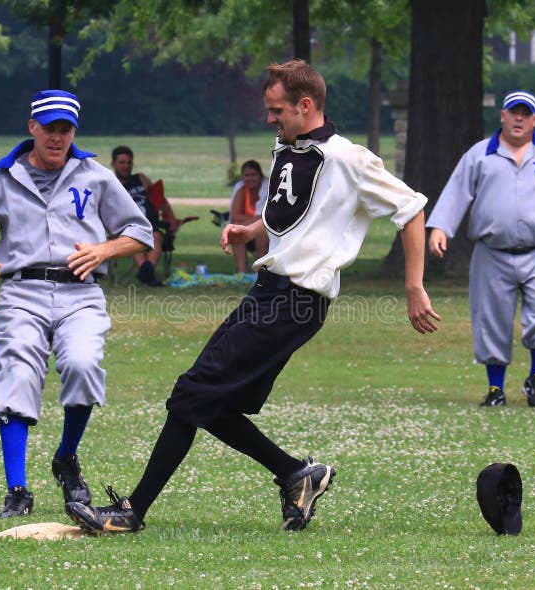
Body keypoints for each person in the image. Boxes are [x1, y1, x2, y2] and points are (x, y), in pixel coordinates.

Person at [65, 59, 440, 535]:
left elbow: (412, 210)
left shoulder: (350, 159)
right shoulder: (287, 147)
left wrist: (413, 287)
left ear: (306, 106)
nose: (269, 119)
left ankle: (131, 512)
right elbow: (291, 211)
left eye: (277, 109)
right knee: (209, 403)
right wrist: (251, 228)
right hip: (266, 293)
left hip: (296, 302)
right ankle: (296, 474)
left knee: (190, 396)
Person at [0, 90, 154, 518]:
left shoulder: (94, 176)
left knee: (81, 365)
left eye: (66, 129)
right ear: (32, 128)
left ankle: (66, 457)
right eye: (50, 128)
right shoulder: (1, 180)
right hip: (22, 293)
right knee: (17, 372)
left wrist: (103, 251)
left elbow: (140, 231)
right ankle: (17, 490)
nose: (57, 137)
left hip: (80, 292)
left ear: (74, 131)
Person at [426, 90, 535, 408]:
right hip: (491, 252)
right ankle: (495, 389)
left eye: (525, 113)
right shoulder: (479, 156)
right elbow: (455, 193)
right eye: (513, 112)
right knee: (491, 320)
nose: (519, 118)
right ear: (502, 116)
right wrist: (439, 228)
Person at [111, 145, 181, 286]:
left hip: (151, 226)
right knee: (135, 238)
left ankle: (146, 272)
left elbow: (162, 202)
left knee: (155, 235)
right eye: (122, 162)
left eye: (129, 162)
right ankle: (148, 275)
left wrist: (172, 219)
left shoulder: (141, 178)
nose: (126, 166)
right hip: (127, 228)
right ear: (113, 164)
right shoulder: (111, 184)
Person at [228, 159, 270, 273]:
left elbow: (265, 217)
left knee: (261, 231)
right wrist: (251, 222)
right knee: (235, 231)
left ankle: (260, 273)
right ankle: (242, 273)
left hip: (268, 231)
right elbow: (235, 217)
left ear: (260, 175)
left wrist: (248, 223)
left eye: (253, 175)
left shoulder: (268, 188)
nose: (250, 178)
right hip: (247, 229)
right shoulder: (241, 190)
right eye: (246, 175)